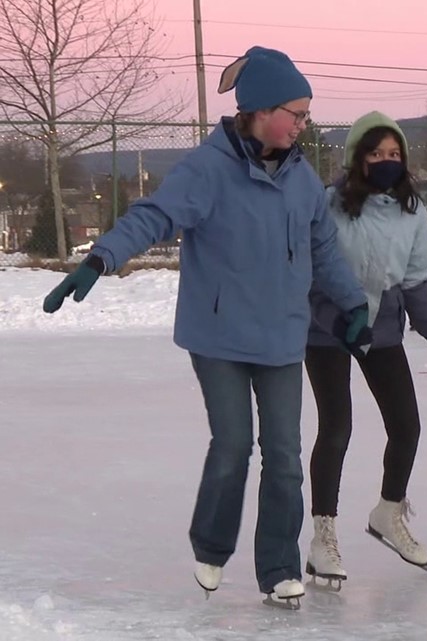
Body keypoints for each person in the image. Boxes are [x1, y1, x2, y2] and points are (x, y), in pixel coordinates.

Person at [41, 46, 370, 607]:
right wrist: (102, 257)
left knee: (286, 455)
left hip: (282, 334)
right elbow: (155, 214)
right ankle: (212, 545)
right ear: (260, 109)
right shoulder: (208, 168)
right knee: (234, 443)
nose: (303, 124)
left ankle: (279, 568)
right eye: (296, 112)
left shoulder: (301, 178)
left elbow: (324, 249)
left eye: (306, 115)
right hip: (219, 335)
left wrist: (352, 304)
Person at [304, 111, 427, 584]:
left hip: (379, 329)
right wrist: (340, 321)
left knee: (407, 425)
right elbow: (310, 277)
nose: (385, 161)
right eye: (376, 154)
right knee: (337, 428)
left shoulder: (411, 210)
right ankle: (323, 536)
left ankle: (388, 512)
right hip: (327, 330)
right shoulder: (327, 204)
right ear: (357, 158)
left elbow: (417, 283)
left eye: (394, 154)